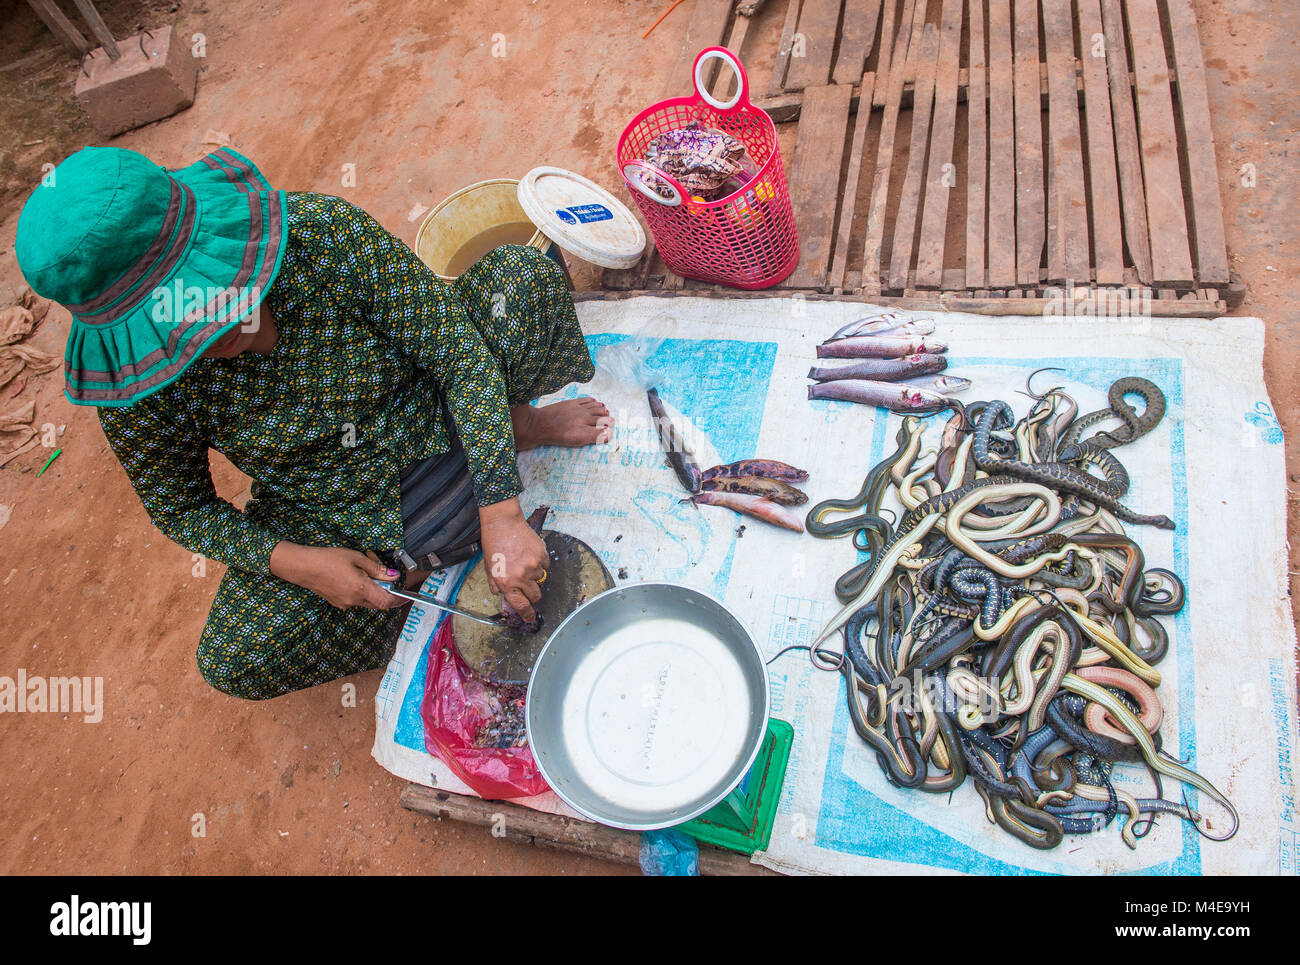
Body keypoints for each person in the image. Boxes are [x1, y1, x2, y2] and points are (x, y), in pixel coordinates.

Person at [15, 145, 611, 699]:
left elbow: (455, 350)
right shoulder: (137, 384)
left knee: (521, 279)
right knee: (234, 657)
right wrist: (300, 563)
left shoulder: (319, 233)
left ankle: (517, 427)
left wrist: (503, 512)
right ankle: (403, 586)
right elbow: (180, 508)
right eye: (175, 337)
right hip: (331, 509)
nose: (208, 339)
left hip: (433, 411)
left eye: (212, 307)